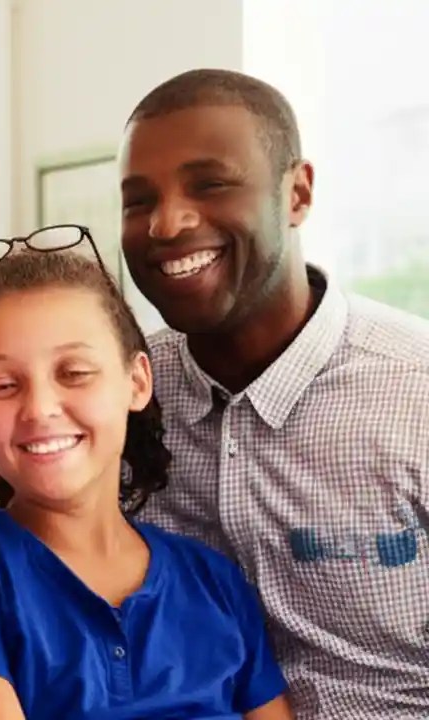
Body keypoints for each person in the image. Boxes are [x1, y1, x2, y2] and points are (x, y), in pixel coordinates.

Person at [119, 68, 429, 718]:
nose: (166, 224)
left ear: (297, 193)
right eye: (138, 200)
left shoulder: (416, 390)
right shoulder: (120, 397)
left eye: (210, 185)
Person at [0, 249, 292, 720]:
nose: (40, 408)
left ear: (137, 381)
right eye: (4, 385)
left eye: (75, 374)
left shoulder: (216, 583)